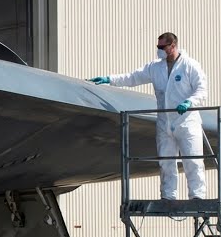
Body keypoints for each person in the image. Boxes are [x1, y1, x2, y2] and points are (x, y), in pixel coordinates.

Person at [88, 32, 209, 200]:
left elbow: (202, 90)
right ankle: (168, 196)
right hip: (164, 122)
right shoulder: (155, 67)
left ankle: (197, 196)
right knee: (166, 162)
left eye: (162, 47)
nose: (159, 50)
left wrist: (190, 102)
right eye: (158, 47)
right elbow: (132, 77)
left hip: (186, 121)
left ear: (173, 46)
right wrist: (110, 79)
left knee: (193, 160)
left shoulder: (190, 66)